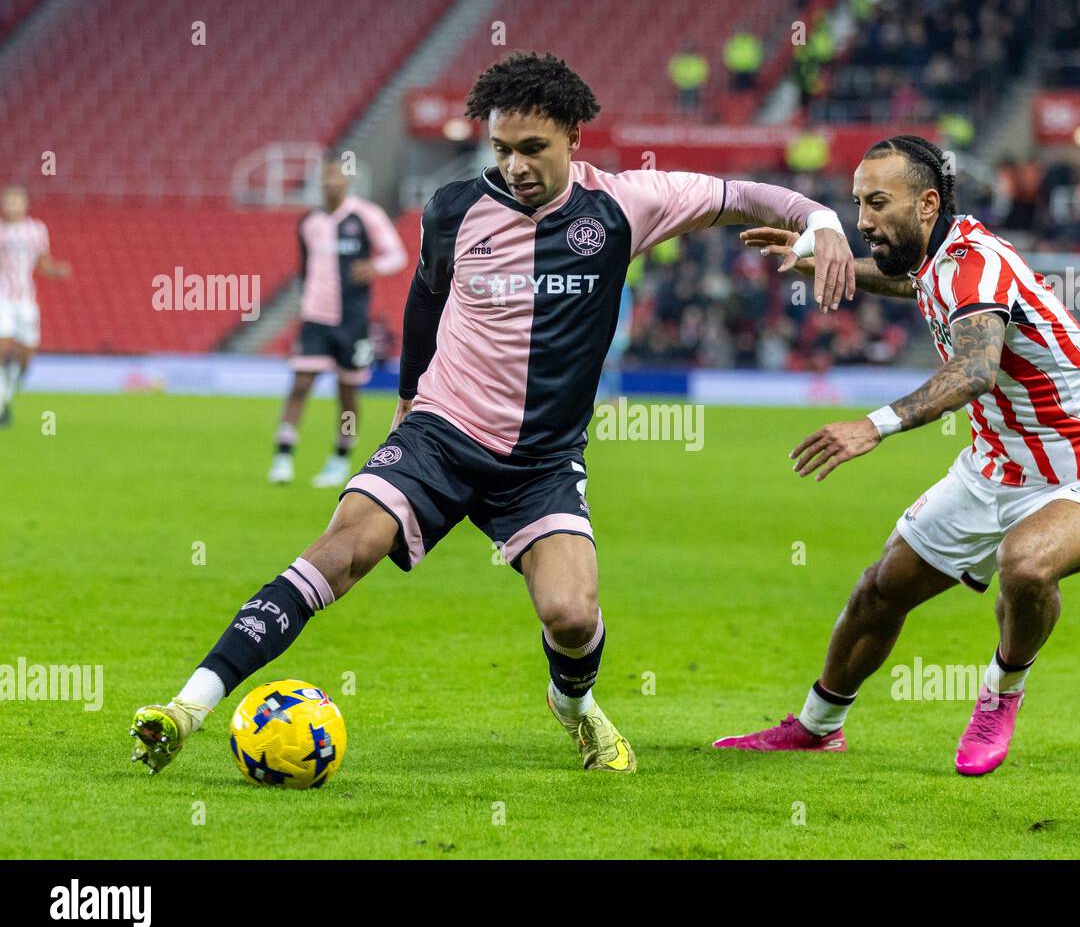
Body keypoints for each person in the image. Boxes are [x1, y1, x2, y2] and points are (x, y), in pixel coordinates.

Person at [130, 51, 855, 777]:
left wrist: (823, 222)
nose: (514, 165)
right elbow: (423, 298)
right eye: (501, 148)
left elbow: (755, 197)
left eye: (532, 149)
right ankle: (186, 709)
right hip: (442, 433)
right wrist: (409, 397)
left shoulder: (629, 203)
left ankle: (574, 709)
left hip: (542, 461)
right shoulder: (453, 209)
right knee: (343, 550)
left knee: (571, 615)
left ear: (574, 136)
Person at [715, 135, 1080, 776]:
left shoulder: (976, 264)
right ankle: (816, 727)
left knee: (1024, 567)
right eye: (858, 203)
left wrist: (873, 426)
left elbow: (974, 370)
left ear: (926, 203)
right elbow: (911, 282)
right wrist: (825, 267)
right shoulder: (940, 256)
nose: (861, 220)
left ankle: (1002, 691)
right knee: (881, 589)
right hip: (992, 467)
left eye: (877, 202)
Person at [269, 160, 407, 487]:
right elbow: (305, 270)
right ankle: (283, 455)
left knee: (347, 393)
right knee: (301, 383)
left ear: (347, 181)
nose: (331, 183)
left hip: (352, 321)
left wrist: (374, 267)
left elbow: (397, 255)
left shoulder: (366, 216)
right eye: (326, 177)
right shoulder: (309, 223)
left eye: (337, 177)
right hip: (315, 319)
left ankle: (340, 457)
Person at [0, 184, 71, 426]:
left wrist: (56, 271)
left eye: (16, 200)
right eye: (8, 200)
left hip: (26, 300)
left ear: (25, 204)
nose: (12, 204)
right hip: (3, 298)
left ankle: (6, 396)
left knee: (26, 354)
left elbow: (43, 262)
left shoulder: (36, 230)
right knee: (3, 345)